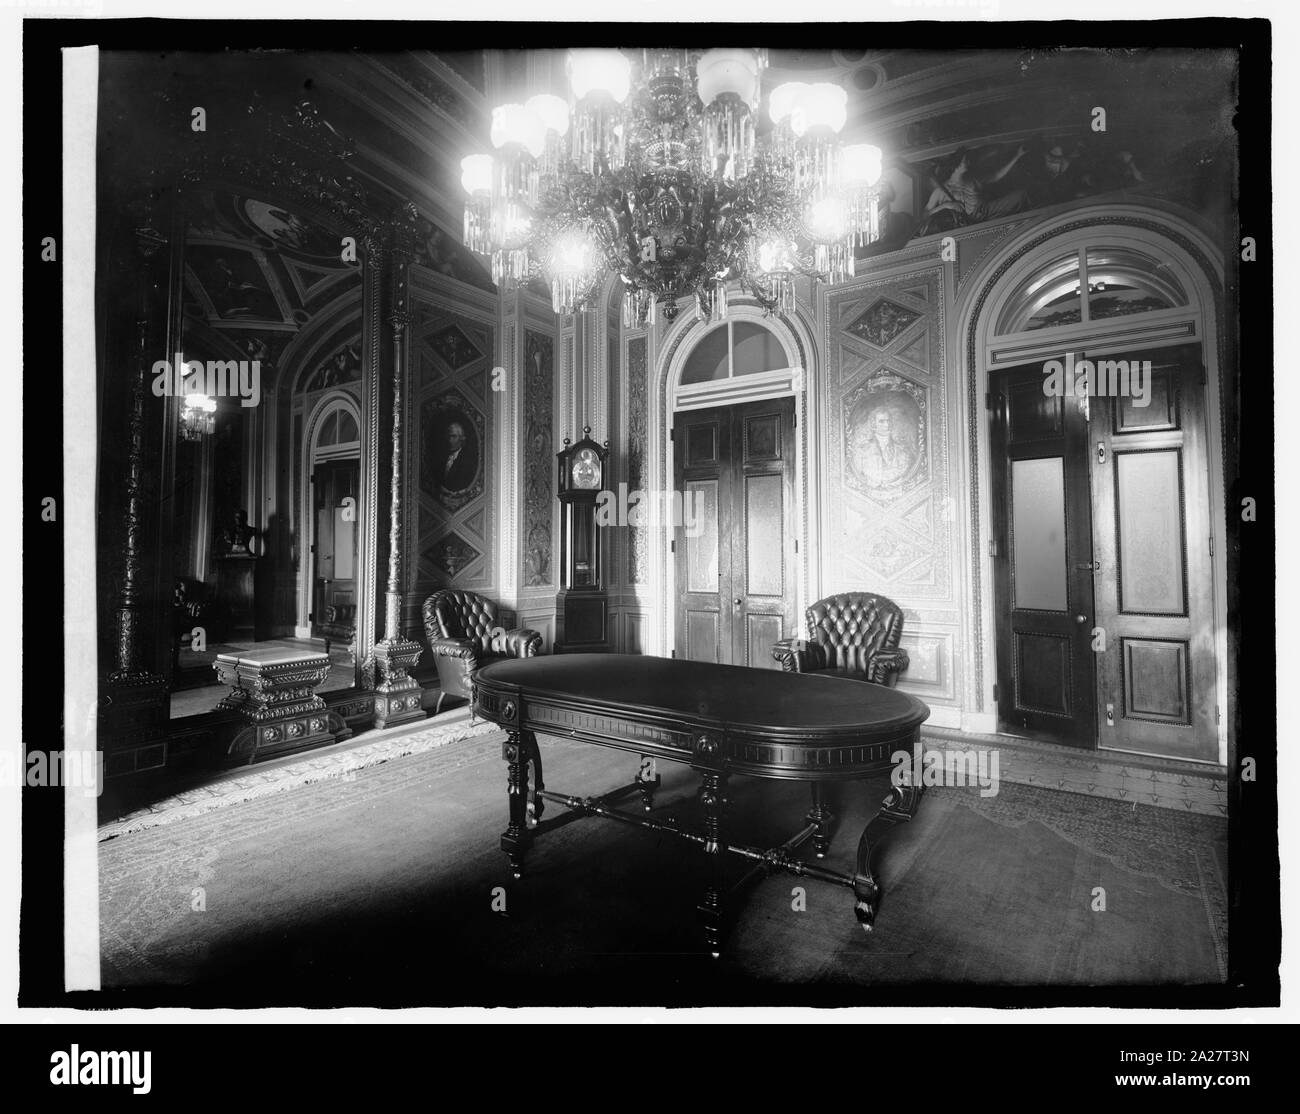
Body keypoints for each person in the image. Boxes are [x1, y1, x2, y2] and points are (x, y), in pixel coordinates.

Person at [921, 145, 1031, 228]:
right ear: (957, 164)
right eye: (965, 160)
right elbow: (924, 215)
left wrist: (1017, 156)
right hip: (967, 223)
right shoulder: (940, 191)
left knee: (1022, 195)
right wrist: (946, 206)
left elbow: (997, 175)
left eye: (969, 159)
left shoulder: (973, 177)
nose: (968, 162)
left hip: (987, 211)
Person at [439, 421, 477, 493]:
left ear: (462, 438)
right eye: (449, 436)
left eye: (454, 436)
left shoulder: (467, 460)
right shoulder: (443, 457)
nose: (450, 440)